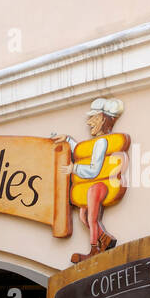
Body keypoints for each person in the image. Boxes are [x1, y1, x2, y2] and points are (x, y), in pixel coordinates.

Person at [52, 97, 129, 263]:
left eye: (93, 118)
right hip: (92, 186)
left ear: (102, 119)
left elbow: (94, 170)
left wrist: (74, 169)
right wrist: (68, 140)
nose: (88, 122)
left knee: (92, 217)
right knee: (82, 216)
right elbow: (83, 151)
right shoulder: (96, 142)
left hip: (99, 186)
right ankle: (105, 239)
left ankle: (94, 249)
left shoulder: (101, 142)